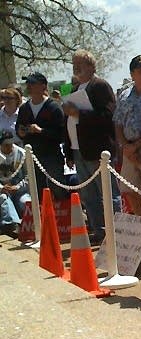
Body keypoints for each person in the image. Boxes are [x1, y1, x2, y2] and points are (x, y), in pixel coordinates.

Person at [64, 49, 121, 243]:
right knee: (88, 196)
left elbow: (108, 116)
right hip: (78, 149)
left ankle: (116, 233)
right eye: (74, 64)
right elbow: (67, 122)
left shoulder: (100, 86)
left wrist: (79, 114)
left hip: (98, 150)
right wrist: (68, 151)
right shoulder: (74, 89)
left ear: (90, 66)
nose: (76, 68)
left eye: (79, 64)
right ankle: (100, 232)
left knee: (108, 193)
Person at [113, 55, 141, 218]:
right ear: (132, 74)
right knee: (131, 192)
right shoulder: (124, 95)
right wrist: (126, 147)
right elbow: (118, 123)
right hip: (128, 149)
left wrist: (136, 146)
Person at [16, 72, 67, 201]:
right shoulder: (24, 108)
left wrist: (41, 131)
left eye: (32, 83)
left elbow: (61, 134)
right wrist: (21, 132)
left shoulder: (53, 107)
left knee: (57, 188)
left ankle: (64, 212)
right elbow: (18, 128)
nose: (29, 86)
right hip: (33, 155)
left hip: (51, 155)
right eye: (28, 83)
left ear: (43, 86)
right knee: (37, 191)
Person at [0, 131, 29, 236]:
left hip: (20, 190)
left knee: (26, 203)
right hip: (3, 190)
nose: (9, 147)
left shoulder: (22, 153)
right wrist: (1, 187)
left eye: (11, 144)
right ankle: (12, 225)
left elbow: (28, 176)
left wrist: (17, 187)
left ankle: (30, 225)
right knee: (4, 198)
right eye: (6, 145)